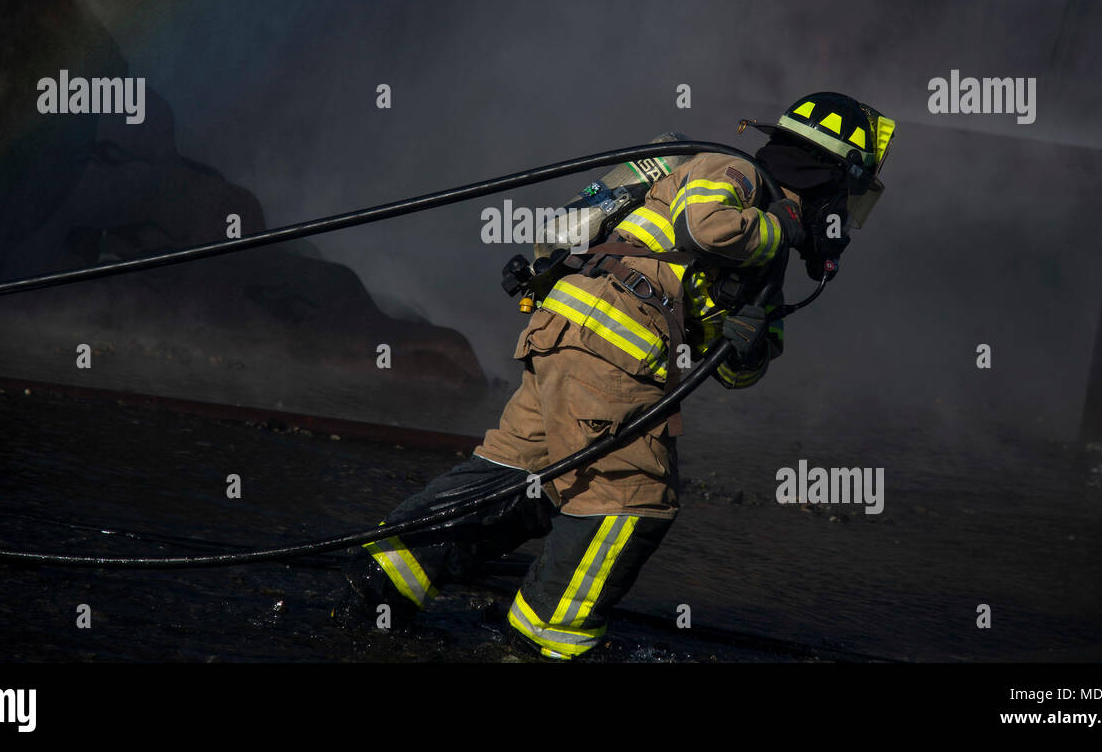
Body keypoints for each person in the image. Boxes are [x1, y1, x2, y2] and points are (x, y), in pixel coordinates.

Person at [332, 91, 895, 659]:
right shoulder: (736, 172)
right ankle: (541, 646)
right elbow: (706, 228)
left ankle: (378, 586)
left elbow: (735, 370)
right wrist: (791, 230)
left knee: (521, 480)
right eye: (850, 195)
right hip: (612, 346)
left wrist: (748, 349)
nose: (845, 215)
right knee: (628, 505)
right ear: (834, 172)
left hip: (576, 343)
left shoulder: (766, 240)